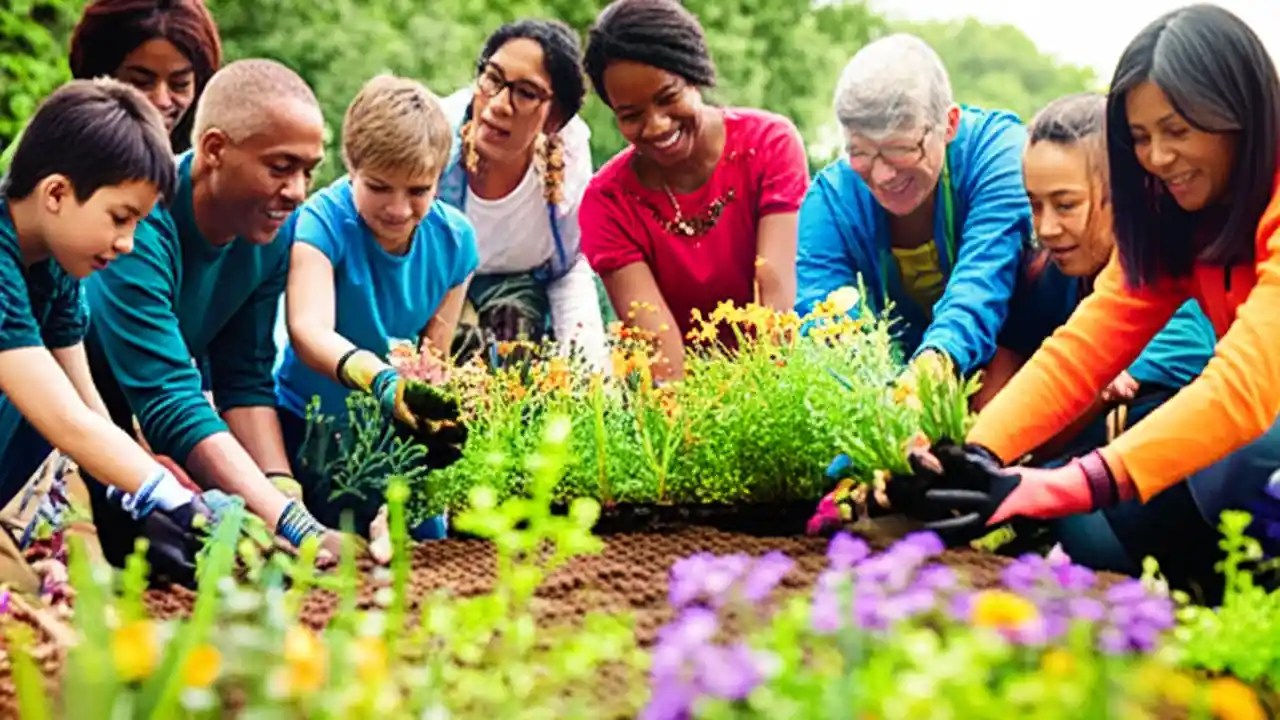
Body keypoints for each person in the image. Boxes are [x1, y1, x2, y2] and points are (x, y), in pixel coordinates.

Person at [891, 4, 1280, 602]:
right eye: (1142, 137)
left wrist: (1053, 488)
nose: (1156, 157)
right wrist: (975, 457)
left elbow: (1245, 387)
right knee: (1129, 520)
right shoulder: (1173, 216)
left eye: (1177, 131)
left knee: (1237, 460)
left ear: (1242, 117)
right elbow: (1081, 351)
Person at [81, 59, 344, 567]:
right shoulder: (138, 224)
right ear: (215, 150)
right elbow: (169, 398)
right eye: (281, 167)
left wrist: (284, 495)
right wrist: (296, 527)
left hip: (146, 437)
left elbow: (243, 378)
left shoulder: (270, 233)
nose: (297, 192)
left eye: (308, 170)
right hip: (74, 430)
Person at [0, 78, 213, 588]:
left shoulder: (55, 268)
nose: (127, 243)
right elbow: (64, 420)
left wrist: (144, 485)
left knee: (38, 594)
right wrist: (175, 501)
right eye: (121, 218)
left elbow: (85, 402)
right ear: (56, 192)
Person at [277, 74, 476, 537]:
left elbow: (432, 361)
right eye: (379, 187)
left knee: (426, 545)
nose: (398, 208)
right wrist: (379, 378)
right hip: (311, 427)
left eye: (418, 190)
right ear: (351, 168)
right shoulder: (322, 223)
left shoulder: (455, 241)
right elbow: (308, 331)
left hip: (392, 434)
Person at [974, 93, 1216, 465]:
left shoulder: (1169, 285)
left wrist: (1096, 392)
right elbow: (996, 389)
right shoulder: (1046, 275)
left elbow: (1042, 436)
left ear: (1121, 197)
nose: (1047, 228)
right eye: (1034, 205)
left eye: (1066, 205)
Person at [580, 0, 810, 381]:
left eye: (668, 98)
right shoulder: (607, 203)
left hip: (776, 382)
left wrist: (770, 407)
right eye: (631, 116)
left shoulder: (769, 144)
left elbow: (774, 291)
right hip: (683, 402)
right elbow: (659, 348)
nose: (655, 127)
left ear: (695, 74)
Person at [795, 34, 1031, 378]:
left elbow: (982, 281)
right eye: (860, 152)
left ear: (948, 124)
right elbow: (825, 322)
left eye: (900, 149)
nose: (882, 174)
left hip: (1009, 368)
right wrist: (885, 402)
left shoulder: (996, 153)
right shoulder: (830, 200)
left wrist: (931, 371)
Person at [438, 20, 608, 371]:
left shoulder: (569, 156)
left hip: (515, 297)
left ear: (554, 118)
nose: (498, 105)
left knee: (512, 350)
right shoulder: (435, 135)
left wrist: (591, 379)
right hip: (432, 286)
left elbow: (569, 270)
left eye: (526, 93)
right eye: (493, 79)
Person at [0, 0, 222, 168]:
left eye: (180, 84)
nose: (161, 100)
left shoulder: (206, 158)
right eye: (140, 82)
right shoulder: (50, 147)